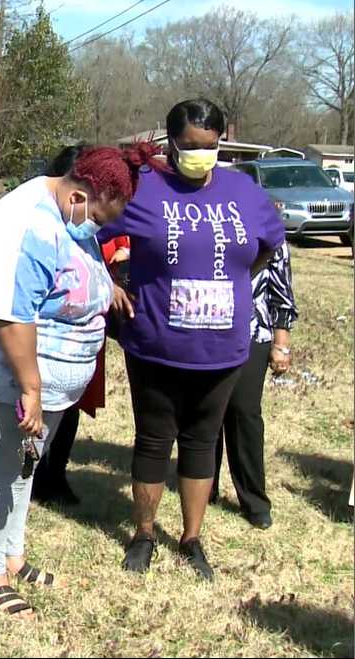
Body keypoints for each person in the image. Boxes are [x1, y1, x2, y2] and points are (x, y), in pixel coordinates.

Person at [0, 144, 156, 617]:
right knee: (4, 464)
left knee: (24, 466)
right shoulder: (24, 224)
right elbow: (12, 319)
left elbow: (72, 269)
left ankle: (13, 556)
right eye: (100, 215)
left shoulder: (65, 209)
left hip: (40, 373)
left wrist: (106, 286)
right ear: (81, 194)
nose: (100, 227)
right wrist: (31, 390)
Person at [99, 98, 286, 580]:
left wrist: (235, 282)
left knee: (201, 443)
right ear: (171, 142)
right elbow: (89, 230)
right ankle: (143, 534)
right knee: (154, 439)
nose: (200, 155)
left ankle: (191, 538)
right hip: (156, 343)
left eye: (210, 147)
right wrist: (110, 284)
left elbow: (267, 245)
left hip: (222, 349)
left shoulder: (244, 191)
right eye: (189, 147)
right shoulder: (144, 189)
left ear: (222, 142)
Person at [31, 146, 133, 506]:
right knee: (35, 410)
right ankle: (28, 474)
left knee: (70, 406)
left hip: (83, 339)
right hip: (45, 343)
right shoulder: (44, 223)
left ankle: (54, 473)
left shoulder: (99, 221)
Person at [211, 241, 298, 529]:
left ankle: (254, 500)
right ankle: (203, 486)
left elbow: (281, 289)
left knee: (244, 413)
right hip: (204, 327)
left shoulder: (266, 226)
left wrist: (281, 343)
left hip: (252, 330)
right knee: (204, 411)